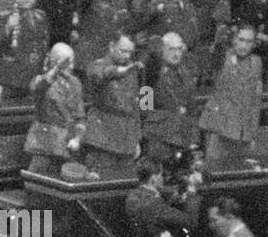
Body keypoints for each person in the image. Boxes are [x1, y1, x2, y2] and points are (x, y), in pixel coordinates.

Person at [82, 34, 145, 179]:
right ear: (111, 46)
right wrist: (120, 71)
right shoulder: (96, 65)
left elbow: (144, 101)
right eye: (122, 51)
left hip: (128, 139)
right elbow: (100, 75)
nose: (126, 56)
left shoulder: (135, 69)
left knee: (124, 184)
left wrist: (138, 137)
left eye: (130, 52)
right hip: (103, 138)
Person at [199, 24, 262, 165]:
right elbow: (214, 58)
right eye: (241, 39)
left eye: (249, 41)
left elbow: (255, 102)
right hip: (221, 129)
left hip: (243, 132)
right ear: (234, 39)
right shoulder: (223, 57)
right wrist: (219, 41)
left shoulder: (257, 62)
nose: (244, 45)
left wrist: (253, 134)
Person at [23, 43, 84, 175]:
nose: (71, 66)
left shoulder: (75, 84)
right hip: (44, 146)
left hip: (67, 145)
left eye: (72, 61)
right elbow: (38, 87)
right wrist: (56, 69)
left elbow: (79, 117)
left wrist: (77, 138)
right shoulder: (41, 80)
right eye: (67, 62)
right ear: (55, 62)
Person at [0, 0, 49, 97]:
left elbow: (43, 44)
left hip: (33, 75)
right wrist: (8, 27)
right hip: (11, 78)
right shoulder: (4, 16)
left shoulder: (41, 16)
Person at [141, 32, 199, 163]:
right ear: (163, 50)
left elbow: (192, 108)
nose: (176, 53)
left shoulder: (187, 72)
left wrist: (194, 138)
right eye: (171, 49)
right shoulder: (151, 72)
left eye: (179, 49)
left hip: (184, 135)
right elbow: (145, 107)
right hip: (160, 136)